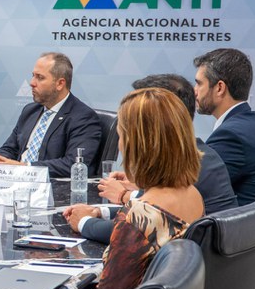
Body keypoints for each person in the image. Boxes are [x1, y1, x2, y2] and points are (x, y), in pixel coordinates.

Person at [62, 88, 204, 289]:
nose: (119, 146)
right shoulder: (193, 194)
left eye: (121, 137)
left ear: (137, 145)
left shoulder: (137, 219)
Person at [65, 74, 238, 244]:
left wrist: (84, 221)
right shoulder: (192, 163)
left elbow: (139, 225)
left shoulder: (197, 167)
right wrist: (100, 211)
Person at [0, 52, 101, 177]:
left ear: (60, 84)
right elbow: (10, 148)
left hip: (52, 191)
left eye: (40, 77)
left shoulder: (83, 118)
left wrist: (25, 168)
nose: (32, 83)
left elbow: (73, 165)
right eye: (33, 76)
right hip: (14, 183)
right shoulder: (30, 111)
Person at [193, 48, 255, 205]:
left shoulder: (232, 135)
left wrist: (135, 194)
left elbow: (189, 189)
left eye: (199, 83)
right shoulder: (247, 123)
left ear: (219, 88)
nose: (194, 91)